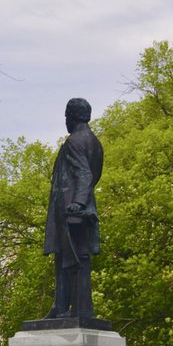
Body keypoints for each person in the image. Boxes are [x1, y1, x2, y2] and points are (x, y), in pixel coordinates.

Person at [44, 97, 103, 320]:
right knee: (72, 259)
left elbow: (86, 174)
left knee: (72, 260)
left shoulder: (75, 141)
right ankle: (62, 307)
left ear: (72, 117)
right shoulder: (94, 142)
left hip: (72, 212)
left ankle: (76, 309)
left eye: (67, 116)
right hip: (82, 209)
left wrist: (77, 202)